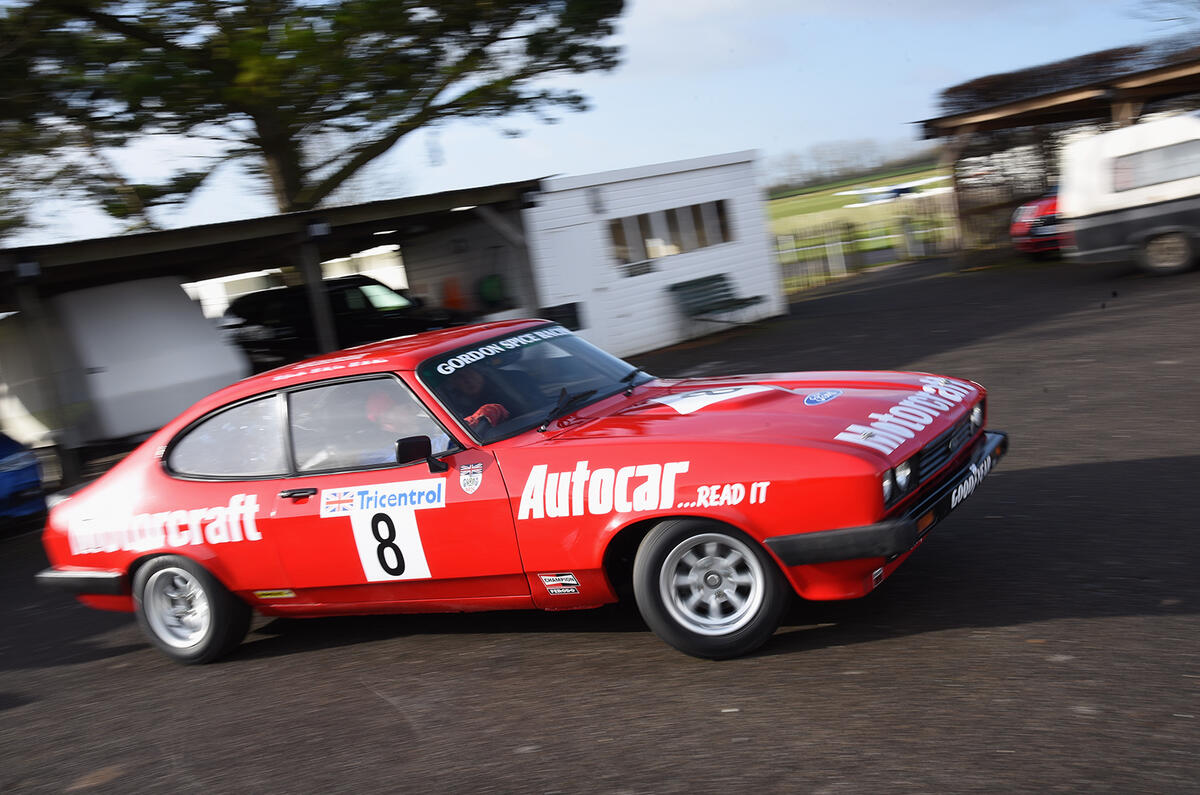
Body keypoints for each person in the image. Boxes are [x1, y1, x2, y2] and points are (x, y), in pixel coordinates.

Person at [363, 390, 451, 463]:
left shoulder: (426, 426)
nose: (415, 409)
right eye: (408, 408)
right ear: (385, 417)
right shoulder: (376, 448)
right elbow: (417, 453)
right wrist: (450, 436)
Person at [441, 367, 511, 430]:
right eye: (459, 377)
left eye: (469, 373)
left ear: (480, 373)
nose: (467, 380)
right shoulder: (455, 410)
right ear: (454, 384)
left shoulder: (509, 387)